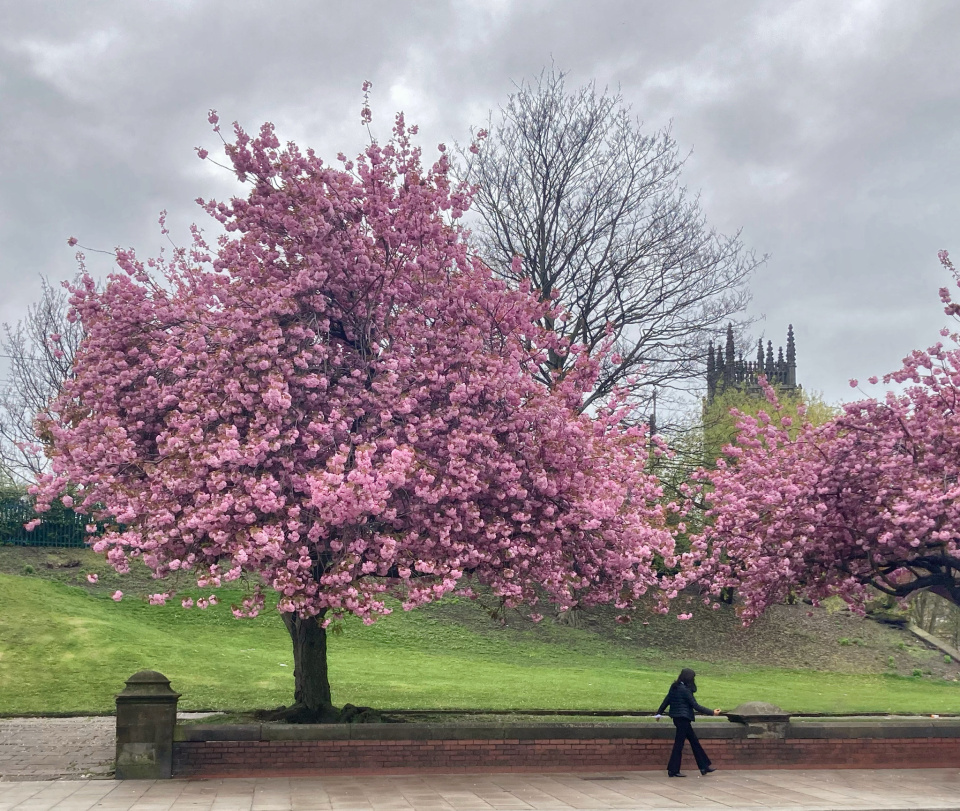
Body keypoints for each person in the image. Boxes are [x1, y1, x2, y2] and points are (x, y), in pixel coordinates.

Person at [655, 668, 721, 777]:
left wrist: (659, 713)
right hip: (683, 719)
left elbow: (667, 700)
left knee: (694, 741)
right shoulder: (685, 690)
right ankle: (673, 770)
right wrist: (712, 712)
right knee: (679, 744)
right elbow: (695, 705)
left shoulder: (675, 687)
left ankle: (704, 766)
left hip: (678, 718)